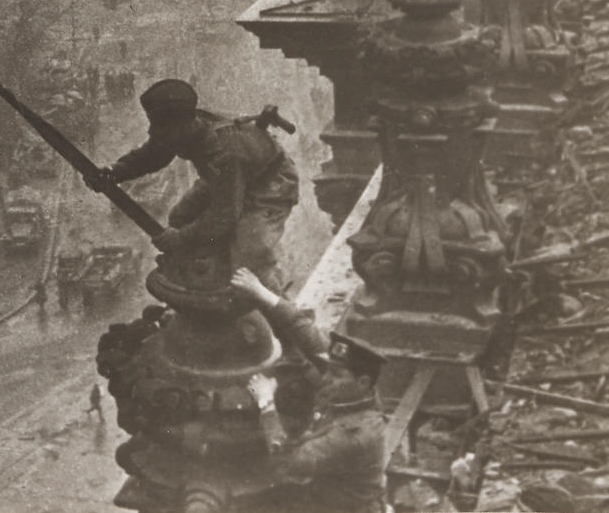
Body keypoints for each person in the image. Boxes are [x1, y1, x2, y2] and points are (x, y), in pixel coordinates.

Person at [90, 80, 298, 288]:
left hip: (268, 185)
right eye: (153, 123)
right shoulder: (181, 126)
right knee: (180, 217)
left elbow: (224, 214)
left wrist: (180, 239)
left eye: (160, 125)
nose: (153, 130)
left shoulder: (223, 151)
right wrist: (114, 172)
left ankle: (274, 302)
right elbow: (154, 154)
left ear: (184, 123)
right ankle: (210, 270)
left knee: (248, 260)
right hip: (226, 176)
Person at [232, 269, 388, 513]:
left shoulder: (355, 434)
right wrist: (260, 292)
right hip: (324, 488)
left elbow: (284, 465)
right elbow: (305, 332)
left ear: (363, 383)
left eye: (335, 375)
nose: (326, 378)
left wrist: (266, 404)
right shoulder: (357, 389)